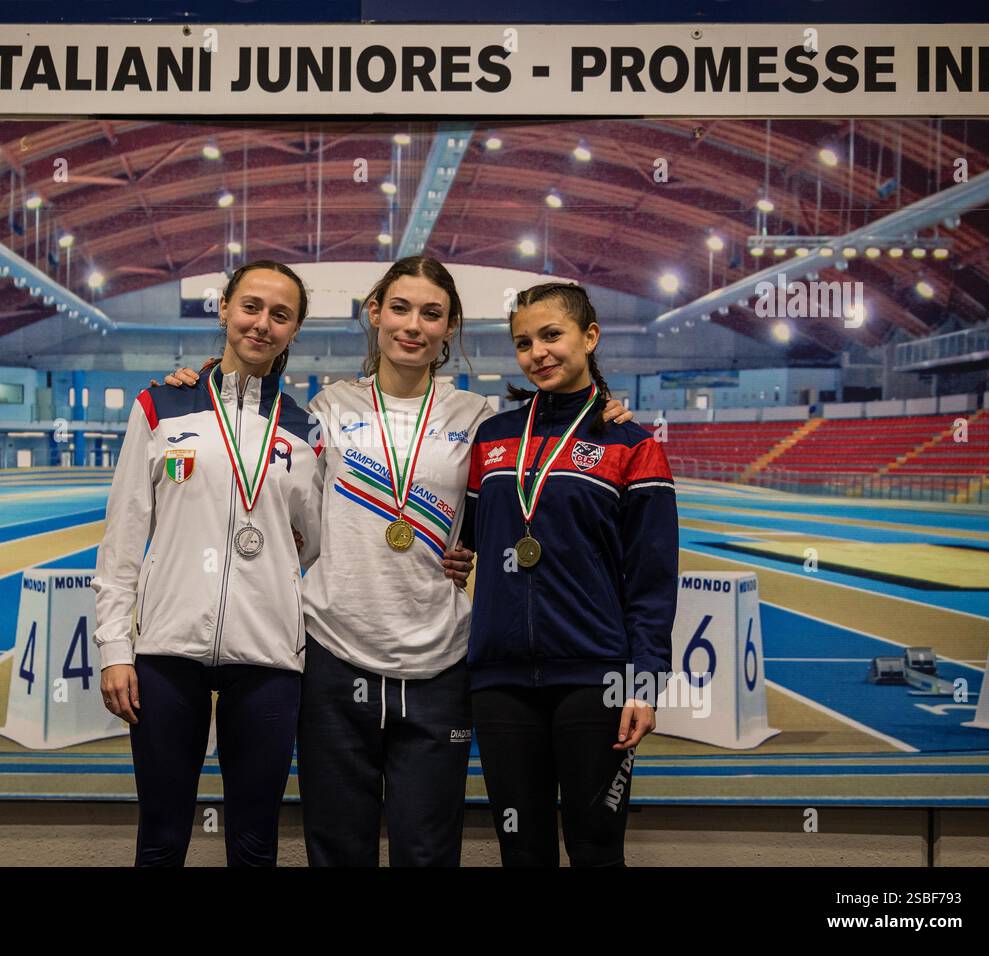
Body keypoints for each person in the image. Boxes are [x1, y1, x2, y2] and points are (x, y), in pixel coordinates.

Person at [163, 258, 635, 866]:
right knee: (337, 850)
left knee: (427, 852)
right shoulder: (324, 410)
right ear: (375, 314)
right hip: (333, 655)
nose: (414, 325)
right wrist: (198, 380)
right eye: (401, 308)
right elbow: (249, 417)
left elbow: (533, 477)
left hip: (440, 663)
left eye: (432, 314)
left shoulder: (480, 422)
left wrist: (604, 412)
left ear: (449, 327)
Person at [91, 260, 322, 867]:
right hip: (168, 654)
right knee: (162, 840)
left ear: (294, 329)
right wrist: (116, 648)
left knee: (254, 845)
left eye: (280, 315)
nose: (262, 324)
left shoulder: (304, 430)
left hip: (269, 659)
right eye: (251, 307)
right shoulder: (160, 406)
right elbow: (122, 540)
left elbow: (316, 545)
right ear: (224, 309)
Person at [459, 281, 678, 867]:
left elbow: (652, 578)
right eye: (523, 342)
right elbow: (468, 536)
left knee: (597, 847)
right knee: (520, 849)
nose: (538, 353)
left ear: (590, 336)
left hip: (595, 676)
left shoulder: (632, 444)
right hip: (500, 680)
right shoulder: (493, 438)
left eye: (551, 335)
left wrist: (646, 682)